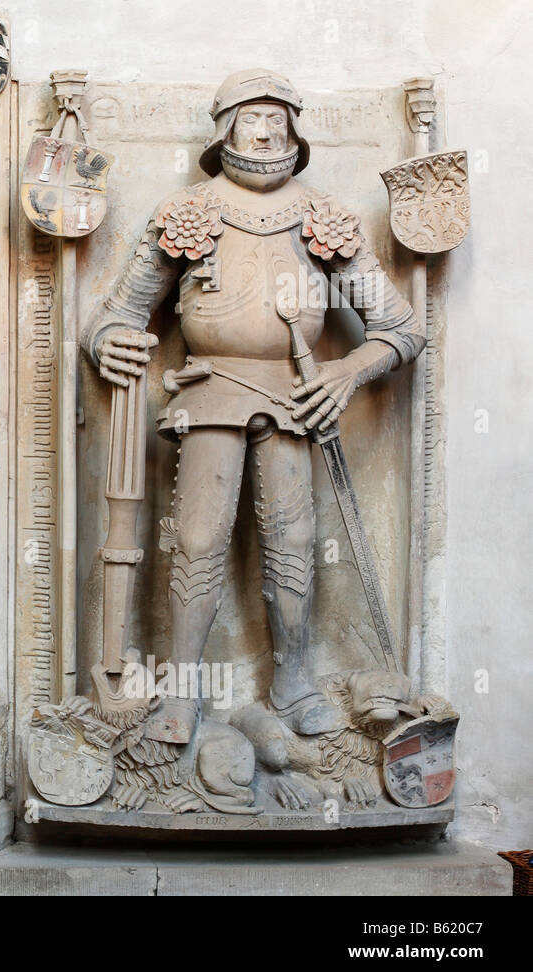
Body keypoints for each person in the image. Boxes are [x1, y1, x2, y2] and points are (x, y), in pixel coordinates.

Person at [83, 69, 425, 744]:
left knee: (292, 541)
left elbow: (402, 327)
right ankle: (182, 694)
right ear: (225, 129)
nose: (265, 132)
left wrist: (347, 372)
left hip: (298, 393)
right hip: (211, 389)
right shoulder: (190, 210)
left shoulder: (321, 214)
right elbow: (119, 310)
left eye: (276, 118)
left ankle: (294, 681)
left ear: (294, 128)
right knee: (199, 540)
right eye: (250, 118)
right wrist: (108, 339)